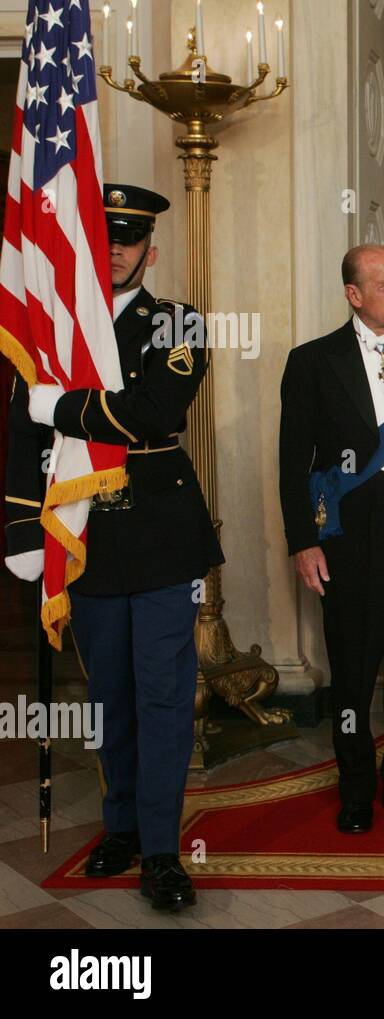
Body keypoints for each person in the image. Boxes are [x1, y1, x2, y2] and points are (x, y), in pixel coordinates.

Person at [4, 184, 222, 912]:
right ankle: (121, 827)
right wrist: (22, 528)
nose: (116, 249)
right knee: (110, 698)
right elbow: (21, 432)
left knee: (163, 696)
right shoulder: (58, 328)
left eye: (128, 238)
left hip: (160, 534)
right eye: (105, 237)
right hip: (85, 535)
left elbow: (152, 412)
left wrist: (58, 405)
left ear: (149, 250)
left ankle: (162, 850)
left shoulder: (178, 323)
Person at [278, 244, 384, 835]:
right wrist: (303, 541)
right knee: (352, 668)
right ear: (354, 295)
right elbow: (291, 460)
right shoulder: (313, 361)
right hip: (348, 530)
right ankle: (355, 789)